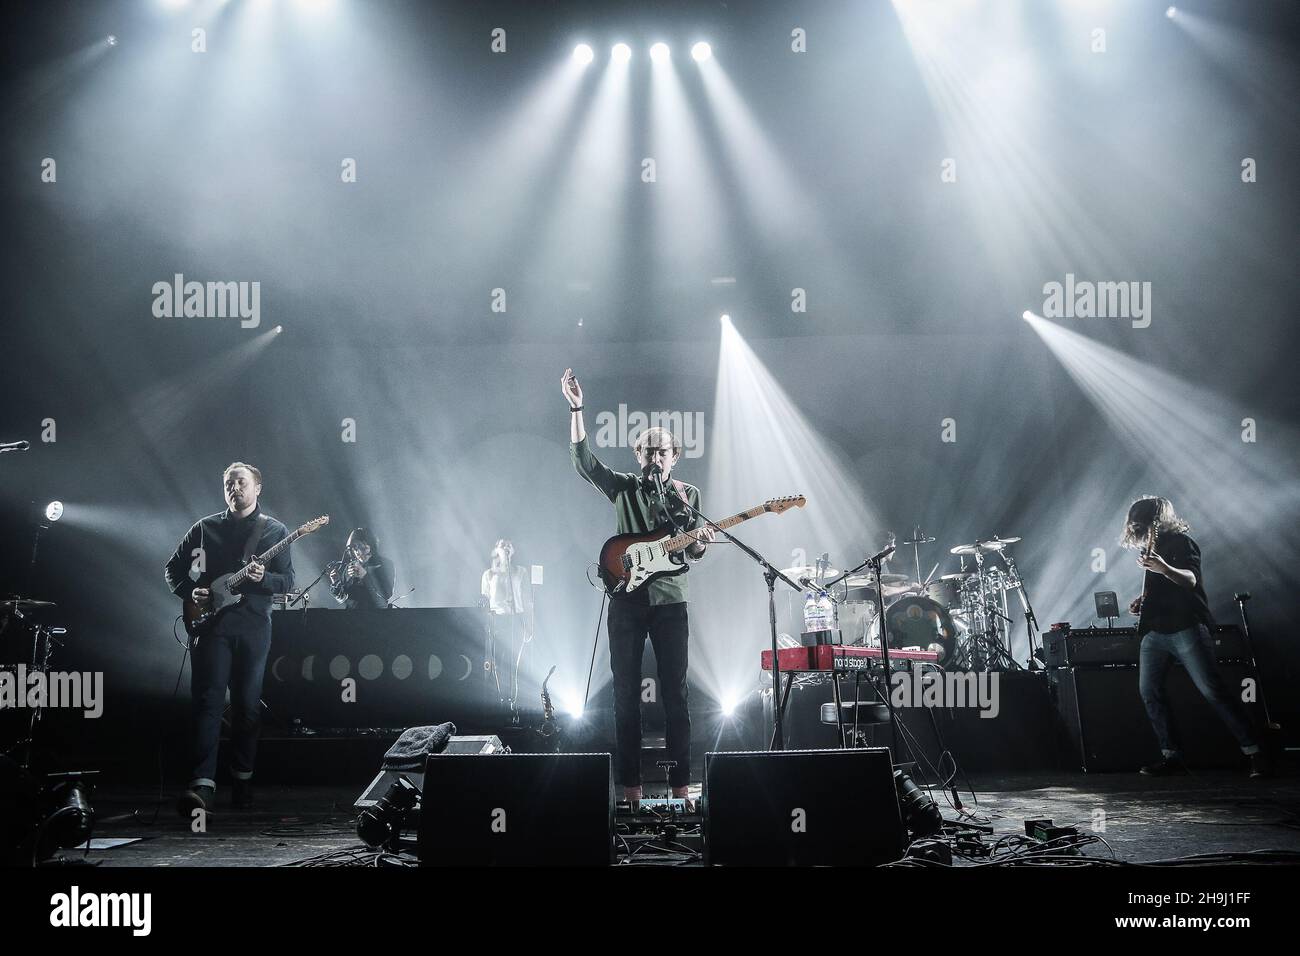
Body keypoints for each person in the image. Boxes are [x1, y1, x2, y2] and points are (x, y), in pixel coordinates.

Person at [562, 368, 715, 808]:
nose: (653, 458)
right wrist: (577, 408)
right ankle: (629, 790)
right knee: (625, 696)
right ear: (638, 455)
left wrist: (701, 543)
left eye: (660, 451)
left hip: (671, 602)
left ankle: (682, 787)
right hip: (627, 602)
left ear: (674, 456)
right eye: (646, 452)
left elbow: (695, 555)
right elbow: (583, 462)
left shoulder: (689, 496)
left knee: (676, 696)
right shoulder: (625, 489)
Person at [165, 462, 295, 813]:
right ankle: (201, 786)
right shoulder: (204, 528)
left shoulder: (276, 531)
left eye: (241, 482)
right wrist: (191, 591)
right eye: (228, 483)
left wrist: (262, 579)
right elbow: (172, 569)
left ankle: (242, 777)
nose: (234, 488)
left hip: (254, 627)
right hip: (211, 628)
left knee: (247, 706)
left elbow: (287, 582)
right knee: (207, 702)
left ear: (257, 488)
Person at [1123, 496, 1265, 777]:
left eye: (1142, 522)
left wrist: (1164, 568)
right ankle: (1171, 756)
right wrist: (1143, 601)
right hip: (1155, 632)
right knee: (1149, 692)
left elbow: (1189, 580)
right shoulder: (1151, 549)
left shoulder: (1182, 543)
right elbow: (1164, 588)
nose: (1136, 528)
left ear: (1156, 520)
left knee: (1212, 691)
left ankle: (1256, 753)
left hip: (1186, 627)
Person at [479, 539, 534, 715]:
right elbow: (484, 602)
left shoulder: (520, 572)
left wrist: (529, 625)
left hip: (515, 620)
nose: (506, 547)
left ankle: (512, 704)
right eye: (502, 545)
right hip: (496, 621)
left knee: (513, 666)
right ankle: (498, 702)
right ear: (496, 550)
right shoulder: (488, 574)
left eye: (509, 544)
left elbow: (528, 600)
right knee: (496, 665)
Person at [328, 528, 394, 609]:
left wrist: (364, 576)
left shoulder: (385, 564)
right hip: (351, 618)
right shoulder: (349, 567)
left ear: (370, 546)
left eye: (360, 546)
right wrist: (336, 583)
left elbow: (386, 595)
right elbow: (343, 600)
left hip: (376, 617)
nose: (357, 551)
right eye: (354, 547)